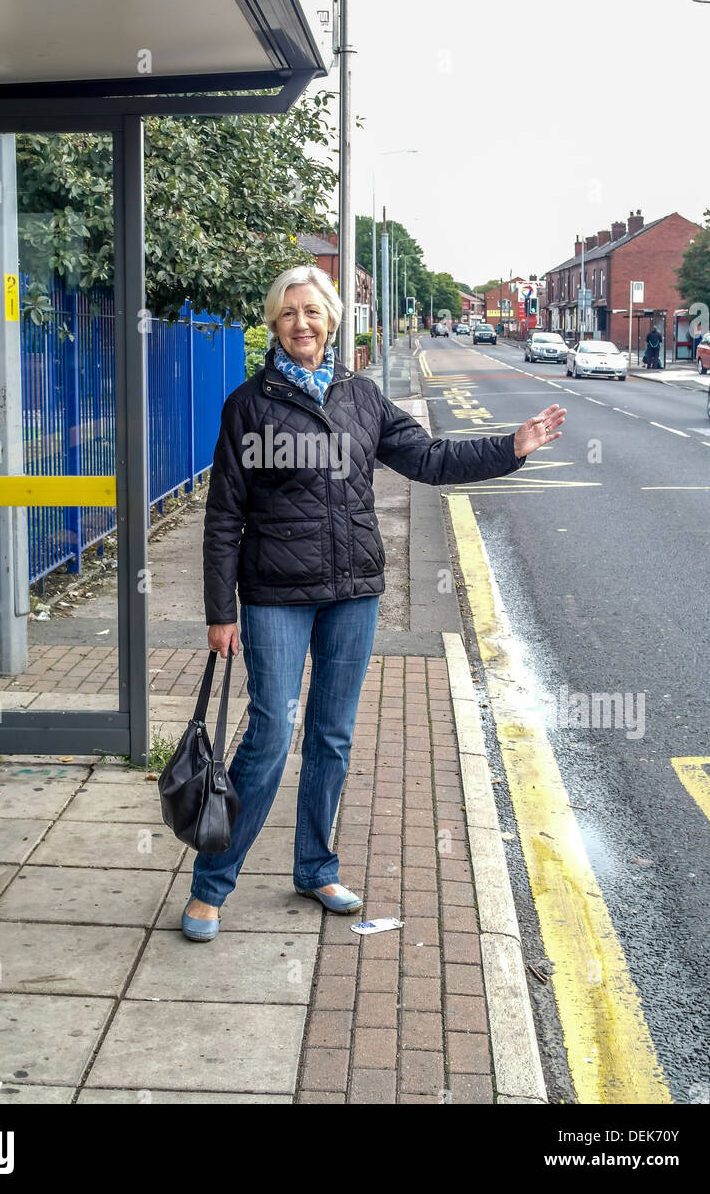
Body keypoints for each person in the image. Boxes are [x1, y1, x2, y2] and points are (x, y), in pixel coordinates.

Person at [182, 265, 566, 940]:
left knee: (332, 736)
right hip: (274, 595)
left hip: (354, 591)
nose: (302, 323)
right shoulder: (249, 404)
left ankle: (315, 867)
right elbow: (223, 516)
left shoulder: (361, 398)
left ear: (333, 321)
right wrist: (222, 611)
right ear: (274, 325)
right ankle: (212, 887)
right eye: (288, 314)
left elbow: (430, 459)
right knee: (270, 736)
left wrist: (512, 447)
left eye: (313, 312)